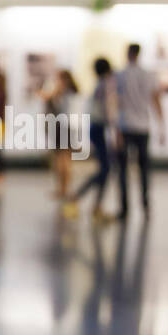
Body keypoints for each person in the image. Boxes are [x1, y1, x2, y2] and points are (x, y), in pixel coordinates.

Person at [115, 43, 163, 218]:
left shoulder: (120, 75)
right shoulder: (148, 75)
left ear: (128, 54)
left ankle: (124, 207)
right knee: (143, 168)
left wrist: (115, 129)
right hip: (143, 127)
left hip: (125, 126)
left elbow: (116, 103)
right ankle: (145, 204)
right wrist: (162, 125)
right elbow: (156, 100)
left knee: (123, 169)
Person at [69, 57, 119, 221]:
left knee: (105, 169)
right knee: (105, 168)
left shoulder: (99, 85)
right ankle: (81, 197)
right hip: (99, 128)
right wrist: (115, 127)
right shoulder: (104, 86)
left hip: (96, 127)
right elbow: (107, 109)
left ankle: (94, 203)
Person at [44, 69, 79, 209]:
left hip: (63, 127)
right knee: (63, 159)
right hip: (65, 127)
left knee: (62, 159)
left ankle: (64, 189)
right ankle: (62, 188)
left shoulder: (66, 94)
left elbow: (61, 110)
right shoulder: (70, 93)